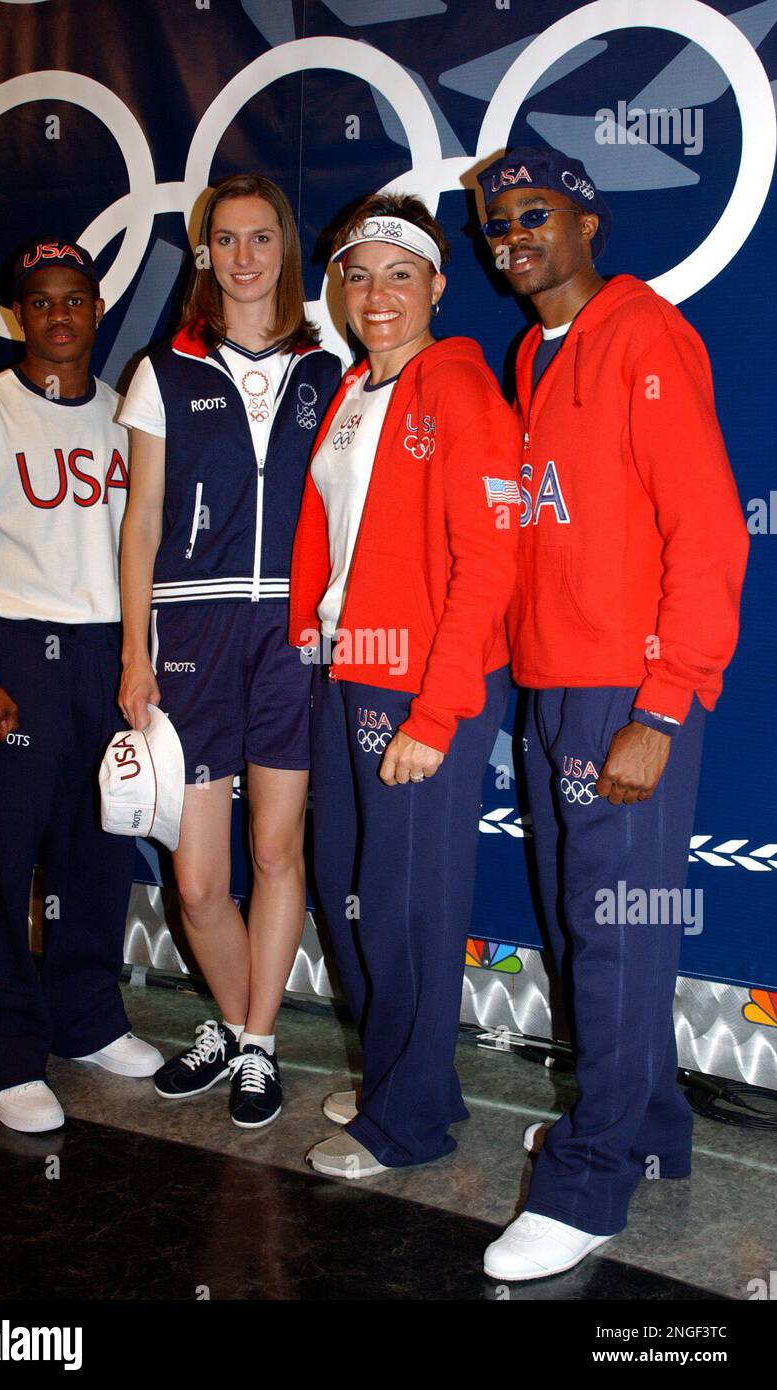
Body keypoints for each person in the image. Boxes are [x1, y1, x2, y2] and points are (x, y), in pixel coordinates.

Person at [476, 147, 749, 1280]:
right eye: (496, 225)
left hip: (625, 695)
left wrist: (665, 704)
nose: (513, 237)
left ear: (589, 223)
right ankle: (648, 1133)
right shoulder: (533, 354)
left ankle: (587, 1186)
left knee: (616, 939)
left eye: (534, 215)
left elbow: (711, 533)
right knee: (592, 927)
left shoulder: (643, 335)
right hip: (552, 693)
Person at [289, 193, 521, 1177]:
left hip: (423, 688)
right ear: (338, 287)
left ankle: (409, 1121)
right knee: (351, 893)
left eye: (399, 272)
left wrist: (437, 708)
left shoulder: (460, 388)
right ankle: (402, 1075)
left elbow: (492, 560)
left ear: (436, 283)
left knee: (407, 907)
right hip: (348, 676)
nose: (377, 293)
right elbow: (323, 549)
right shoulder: (350, 396)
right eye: (358, 272)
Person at [118, 174, 340, 1128]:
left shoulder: (332, 370)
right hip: (192, 633)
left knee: (275, 848)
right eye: (225, 240)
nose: (244, 257)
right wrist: (135, 653)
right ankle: (237, 1022)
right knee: (201, 881)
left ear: (285, 251)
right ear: (204, 254)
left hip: (289, 633)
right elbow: (140, 525)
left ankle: (253, 1044)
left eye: (261, 238)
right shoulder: (163, 368)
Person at [0, 238, 164, 1134]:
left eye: (76, 299)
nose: (60, 314)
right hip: (18, 650)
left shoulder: (124, 415)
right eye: (41, 301)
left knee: (96, 848)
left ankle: (88, 1018)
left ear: (98, 311)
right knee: (0, 857)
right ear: (15, 315)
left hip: (108, 652)